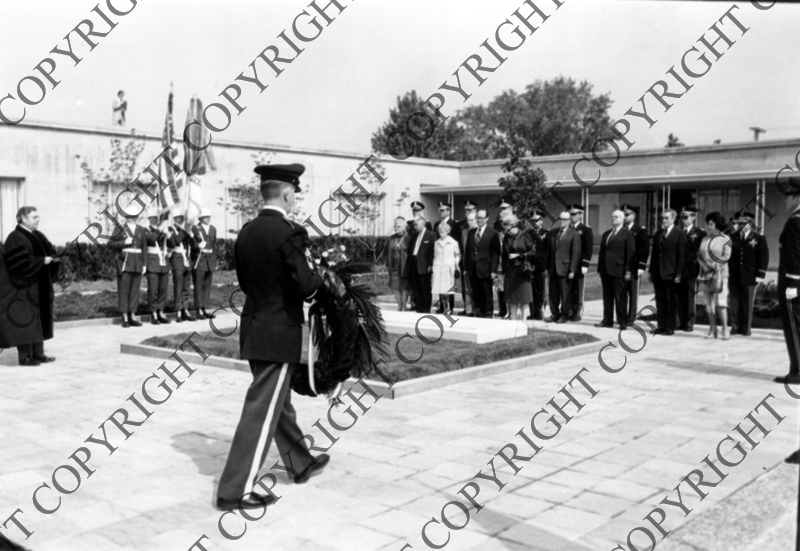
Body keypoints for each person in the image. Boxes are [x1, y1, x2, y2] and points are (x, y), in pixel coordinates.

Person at [216, 163, 327, 511]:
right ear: (288, 193)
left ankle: (300, 461)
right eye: (295, 193)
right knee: (261, 410)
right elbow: (307, 286)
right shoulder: (291, 233)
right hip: (279, 332)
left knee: (275, 401)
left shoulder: (246, 231)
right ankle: (235, 489)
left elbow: (248, 284)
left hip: (253, 326)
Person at [0, 207, 59, 366]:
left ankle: (38, 354)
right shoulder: (15, 237)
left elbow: (50, 252)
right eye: (34, 217)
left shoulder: (37, 235)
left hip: (40, 284)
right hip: (24, 286)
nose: (37, 219)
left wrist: (53, 259)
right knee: (26, 320)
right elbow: (18, 264)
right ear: (22, 218)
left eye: (37, 217)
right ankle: (25, 357)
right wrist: (41, 261)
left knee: (40, 320)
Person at [729, 210, 769, 336]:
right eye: (739, 223)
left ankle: (746, 328)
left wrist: (760, 275)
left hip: (750, 276)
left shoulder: (759, 238)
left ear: (750, 223)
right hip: (734, 276)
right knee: (735, 303)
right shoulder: (733, 237)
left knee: (747, 303)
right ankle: (735, 326)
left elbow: (764, 257)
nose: (741, 225)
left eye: (744, 223)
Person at [775, 188, 800, 385]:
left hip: (793, 283)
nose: (785, 202)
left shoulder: (795, 221)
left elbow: (794, 255)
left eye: (788, 197)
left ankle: (798, 371)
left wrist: (792, 283)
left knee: (794, 328)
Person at [595, 210, 635, 330]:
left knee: (620, 297)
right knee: (607, 297)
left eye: (616, 217)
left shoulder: (627, 234)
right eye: (612, 217)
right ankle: (607, 320)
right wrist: (599, 268)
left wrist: (628, 271)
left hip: (619, 270)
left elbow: (631, 253)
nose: (614, 219)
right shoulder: (607, 234)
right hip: (606, 271)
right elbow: (602, 252)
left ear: (623, 219)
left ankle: (622, 321)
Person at [108, 205, 146, 328]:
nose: (133, 218)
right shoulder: (120, 228)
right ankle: (124, 317)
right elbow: (110, 244)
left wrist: (144, 264)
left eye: (135, 216)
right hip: (125, 263)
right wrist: (124, 242)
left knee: (135, 291)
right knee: (124, 291)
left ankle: (133, 316)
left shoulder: (141, 230)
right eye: (130, 216)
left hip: (137, 263)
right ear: (126, 217)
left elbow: (144, 248)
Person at [649, 209, 686, 336]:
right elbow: (654, 254)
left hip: (671, 273)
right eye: (662, 218)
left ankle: (670, 327)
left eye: (666, 218)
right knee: (660, 300)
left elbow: (681, 256)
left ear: (673, 219)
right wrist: (651, 271)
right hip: (658, 273)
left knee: (671, 301)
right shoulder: (659, 233)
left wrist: (678, 274)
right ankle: (661, 325)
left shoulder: (679, 233)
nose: (663, 220)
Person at [697, 212, 732, 340]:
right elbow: (700, 255)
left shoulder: (726, 239)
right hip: (705, 275)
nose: (708, 226)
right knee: (709, 304)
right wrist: (705, 267)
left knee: (721, 303)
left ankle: (725, 329)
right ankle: (713, 329)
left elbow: (726, 257)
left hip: (720, 276)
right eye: (708, 224)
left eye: (711, 224)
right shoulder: (704, 239)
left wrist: (714, 266)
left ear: (717, 225)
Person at [545, 212, 581, 324]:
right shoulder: (552, 233)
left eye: (565, 220)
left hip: (565, 268)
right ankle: (554, 313)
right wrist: (547, 268)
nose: (562, 221)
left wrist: (572, 269)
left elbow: (576, 253)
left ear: (570, 221)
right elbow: (549, 252)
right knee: (553, 293)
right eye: (561, 219)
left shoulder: (574, 234)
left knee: (565, 293)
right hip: (553, 268)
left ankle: (565, 314)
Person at [465, 209, 501, 318]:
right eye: (478, 217)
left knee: (486, 294)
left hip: (485, 269)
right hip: (472, 269)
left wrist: (494, 270)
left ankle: (488, 314)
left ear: (487, 219)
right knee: (476, 294)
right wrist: (466, 268)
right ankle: (478, 314)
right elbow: (467, 251)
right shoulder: (471, 232)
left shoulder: (493, 233)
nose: (479, 220)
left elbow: (496, 253)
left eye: (481, 218)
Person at [676, 207, 706, 332]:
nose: (683, 220)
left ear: (693, 217)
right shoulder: (677, 232)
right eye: (682, 217)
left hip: (692, 269)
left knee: (690, 298)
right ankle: (679, 322)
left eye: (686, 217)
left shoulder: (699, 233)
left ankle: (689, 323)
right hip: (678, 270)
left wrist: (702, 271)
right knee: (678, 297)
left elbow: (703, 252)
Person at [501, 213, 534, 322]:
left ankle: (523, 323)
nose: (507, 231)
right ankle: (513, 321)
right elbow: (504, 254)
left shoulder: (525, 235)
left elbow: (534, 251)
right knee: (512, 299)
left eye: (508, 228)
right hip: (510, 271)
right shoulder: (507, 237)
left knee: (524, 299)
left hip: (522, 271)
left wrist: (519, 254)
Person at [167, 208, 197, 322]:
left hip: (186, 260)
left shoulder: (185, 230)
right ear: (174, 218)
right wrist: (185, 232)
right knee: (178, 286)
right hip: (177, 259)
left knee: (186, 287)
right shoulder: (170, 229)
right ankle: (178, 311)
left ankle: (185, 310)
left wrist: (191, 235)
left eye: (182, 218)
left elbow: (194, 246)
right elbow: (173, 242)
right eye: (178, 218)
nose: (180, 220)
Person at [621, 204, 650, 322]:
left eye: (627, 214)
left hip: (634, 267)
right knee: (621, 293)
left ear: (634, 215)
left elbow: (644, 249)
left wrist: (641, 266)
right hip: (621, 266)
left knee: (633, 294)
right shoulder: (620, 230)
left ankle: (631, 317)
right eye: (623, 215)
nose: (625, 217)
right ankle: (622, 316)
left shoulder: (640, 230)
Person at [144, 208, 171, 325]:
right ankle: (153, 313)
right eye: (152, 218)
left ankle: (160, 311)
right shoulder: (145, 230)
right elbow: (151, 239)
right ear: (149, 219)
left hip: (163, 262)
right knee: (153, 290)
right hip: (152, 262)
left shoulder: (162, 230)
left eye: (156, 218)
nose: (154, 220)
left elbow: (171, 244)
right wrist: (160, 230)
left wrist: (169, 235)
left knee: (162, 289)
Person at [191, 207, 218, 320]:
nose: (208, 219)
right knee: (198, 285)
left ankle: (205, 308)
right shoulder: (195, 228)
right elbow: (192, 244)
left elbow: (214, 245)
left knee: (207, 285)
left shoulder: (212, 229)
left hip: (209, 259)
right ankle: (198, 309)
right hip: (199, 259)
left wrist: (215, 260)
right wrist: (198, 247)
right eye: (205, 217)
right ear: (200, 218)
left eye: (209, 217)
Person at [568, 204, 593, 322]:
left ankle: (577, 311)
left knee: (578, 289)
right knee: (568, 288)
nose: (571, 217)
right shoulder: (567, 229)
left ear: (580, 215)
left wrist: (585, 264)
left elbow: (588, 248)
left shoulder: (586, 229)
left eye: (574, 214)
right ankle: (569, 310)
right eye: (570, 214)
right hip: (567, 264)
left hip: (578, 265)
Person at [406, 216, 435, 314]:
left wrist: (430, 264)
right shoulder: (415, 236)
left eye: (416, 224)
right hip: (413, 262)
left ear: (423, 224)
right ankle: (419, 307)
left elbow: (432, 251)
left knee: (425, 287)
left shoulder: (431, 235)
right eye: (414, 225)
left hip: (424, 264)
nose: (414, 227)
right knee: (416, 286)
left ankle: (426, 308)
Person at [431, 222, 461, 314]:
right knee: (440, 287)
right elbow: (435, 255)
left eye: (443, 231)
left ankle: (449, 308)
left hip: (449, 267)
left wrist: (455, 263)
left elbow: (458, 254)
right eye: (440, 231)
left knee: (448, 288)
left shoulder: (453, 242)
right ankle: (442, 307)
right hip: (439, 267)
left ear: (447, 231)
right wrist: (434, 266)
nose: (441, 233)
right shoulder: (436, 243)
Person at [527, 210, 548, 321]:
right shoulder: (528, 233)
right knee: (531, 290)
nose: (535, 222)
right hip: (530, 265)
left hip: (542, 266)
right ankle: (533, 313)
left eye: (537, 220)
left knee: (541, 291)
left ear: (542, 221)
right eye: (533, 220)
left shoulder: (546, 233)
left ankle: (540, 312)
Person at [387, 216, 411, 311]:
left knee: (404, 287)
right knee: (395, 287)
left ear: (404, 227)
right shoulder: (391, 238)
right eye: (395, 226)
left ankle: (404, 305)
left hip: (404, 267)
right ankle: (399, 305)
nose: (396, 228)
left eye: (399, 226)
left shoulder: (408, 238)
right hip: (394, 267)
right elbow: (388, 253)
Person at [493, 200, 512, 318]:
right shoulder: (496, 225)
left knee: (509, 288)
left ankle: (511, 312)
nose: (503, 210)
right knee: (500, 288)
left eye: (505, 208)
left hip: (510, 262)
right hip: (499, 262)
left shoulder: (516, 222)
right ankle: (502, 310)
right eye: (501, 208)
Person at [458, 211, 477, 316]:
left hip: (477, 265)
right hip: (465, 264)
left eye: (472, 220)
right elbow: (462, 249)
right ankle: (468, 309)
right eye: (468, 220)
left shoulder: (479, 231)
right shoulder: (464, 232)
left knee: (476, 288)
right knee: (466, 288)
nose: (469, 222)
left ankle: (476, 309)